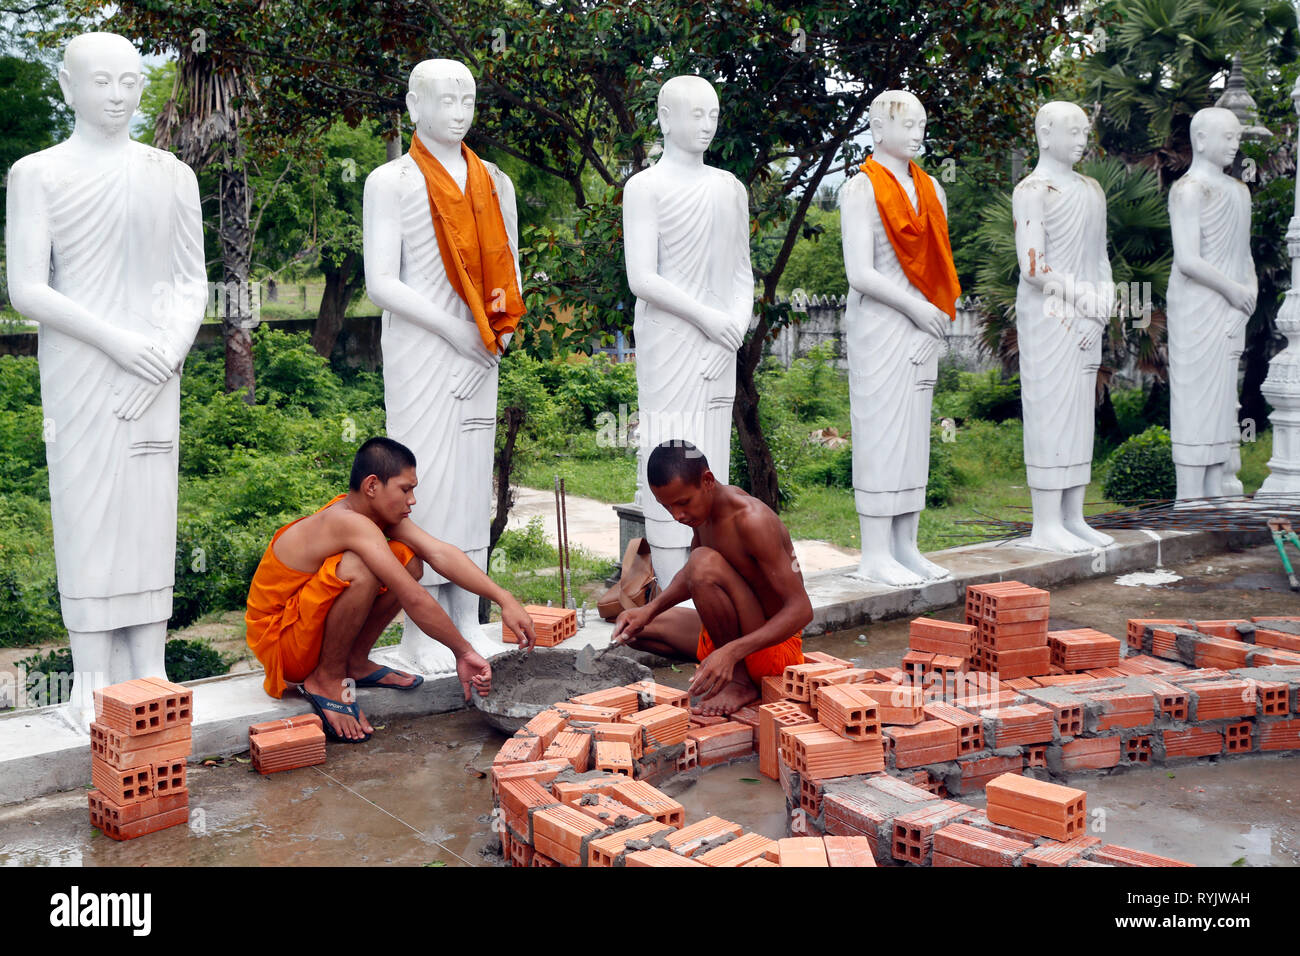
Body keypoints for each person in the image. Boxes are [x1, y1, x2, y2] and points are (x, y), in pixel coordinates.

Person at [6, 32, 208, 728]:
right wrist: (120, 343)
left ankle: (149, 663)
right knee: (87, 512)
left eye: (130, 82)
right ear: (67, 86)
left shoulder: (171, 173)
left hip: (156, 372)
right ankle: (88, 675)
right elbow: (28, 289)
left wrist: (168, 350)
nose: (118, 96)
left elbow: (192, 281)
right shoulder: (38, 174)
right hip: (86, 370)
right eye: (101, 82)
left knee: (150, 513)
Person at [363, 58, 525, 675]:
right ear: (412, 105)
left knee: (467, 483)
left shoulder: (497, 183)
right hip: (423, 350)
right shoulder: (392, 181)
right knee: (419, 488)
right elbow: (382, 282)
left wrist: (489, 342)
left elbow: (505, 278)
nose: (459, 109)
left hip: (480, 353)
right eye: (445, 97)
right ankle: (420, 630)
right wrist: (454, 329)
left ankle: (469, 621)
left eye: (468, 97)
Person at [245, 437, 537, 742]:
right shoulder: (347, 522)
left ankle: (354, 662)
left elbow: (439, 553)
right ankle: (327, 679)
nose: (412, 500)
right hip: (282, 645)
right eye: (405, 489)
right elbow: (412, 596)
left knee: (408, 559)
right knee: (361, 567)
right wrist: (462, 652)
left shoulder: (373, 515)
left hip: (304, 630)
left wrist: (505, 598)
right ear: (372, 486)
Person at [623, 74, 753, 590]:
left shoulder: (729, 188)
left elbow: (742, 273)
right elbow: (643, 278)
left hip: (720, 347)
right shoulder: (645, 187)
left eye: (712, 115)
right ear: (664, 116)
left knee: (710, 462)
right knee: (671, 453)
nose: (705, 125)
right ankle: (676, 584)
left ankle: (710, 580)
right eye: (695, 114)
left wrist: (733, 332)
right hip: (671, 341)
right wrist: (708, 319)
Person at [841, 88, 959, 587]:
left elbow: (939, 267)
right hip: (880, 326)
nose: (915, 132)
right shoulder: (859, 189)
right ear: (877, 129)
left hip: (922, 328)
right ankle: (874, 553)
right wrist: (914, 307)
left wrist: (931, 318)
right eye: (905, 122)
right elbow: (859, 273)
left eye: (921, 123)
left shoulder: (933, 189)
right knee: (880, 435)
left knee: (914, 439)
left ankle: (907, 546)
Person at [610, 440, 813, 715]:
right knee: (635, 630)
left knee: (703, 561)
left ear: (707, 480)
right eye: (667, 507)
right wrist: (648, 609)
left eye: (683, 503)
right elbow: (691, 576)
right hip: (732, 636)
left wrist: (731, 652)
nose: (677, 516)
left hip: (774, 651)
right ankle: (719, 665)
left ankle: (740, 681)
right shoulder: (702, 513)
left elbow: (802, 610)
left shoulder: (752, 520)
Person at [1012, 101, 1115, 553]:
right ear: (1045, 133)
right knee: (1049, 412)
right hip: (1049, 314)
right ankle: (1046, 521)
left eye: (1084, 131)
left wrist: (1102, 309)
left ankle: (1074, 514)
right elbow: (1033, 267)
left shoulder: (1092, 190)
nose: (1080, 139)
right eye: (1071, 130)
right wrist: (1082, 300)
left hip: (1087, 314)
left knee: (1079, 416)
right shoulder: (1033, 190)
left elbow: (1101, 258)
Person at [1168, 106, 1255, 503]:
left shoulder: (1240, 192)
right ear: (1200, 140)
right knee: (1194, 398)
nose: (1235, 145)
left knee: (1223, 400)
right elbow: (1188, 259)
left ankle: (1213, 486)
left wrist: (1246, 294)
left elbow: (1244, 253)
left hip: (1231, 307)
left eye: (1238, 138)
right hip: (1197, 305)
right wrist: (1233, 290)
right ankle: (1189, 495)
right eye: (1228, 136)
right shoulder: (1187, 190)